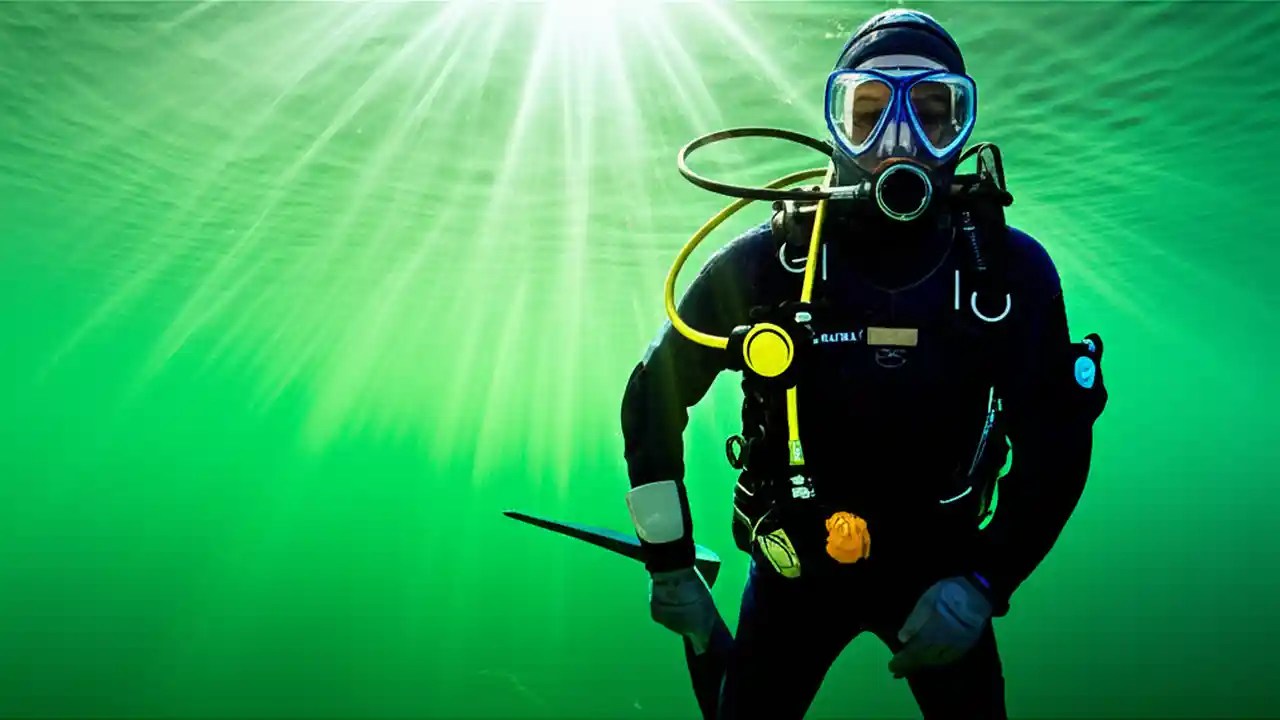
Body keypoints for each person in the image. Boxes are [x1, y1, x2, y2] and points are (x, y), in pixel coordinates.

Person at [619, 8, 1108, 720]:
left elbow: (1058, 441)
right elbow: (651, 399)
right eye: (869, 112)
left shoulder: (1008, 274)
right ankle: (705, 636)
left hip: (942, 567)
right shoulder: (766, 265)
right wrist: (671, 569)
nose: (899, 141)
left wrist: (981, 583)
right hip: (793, 566)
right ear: (834, 125)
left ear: (964, 129)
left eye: (935, 112)